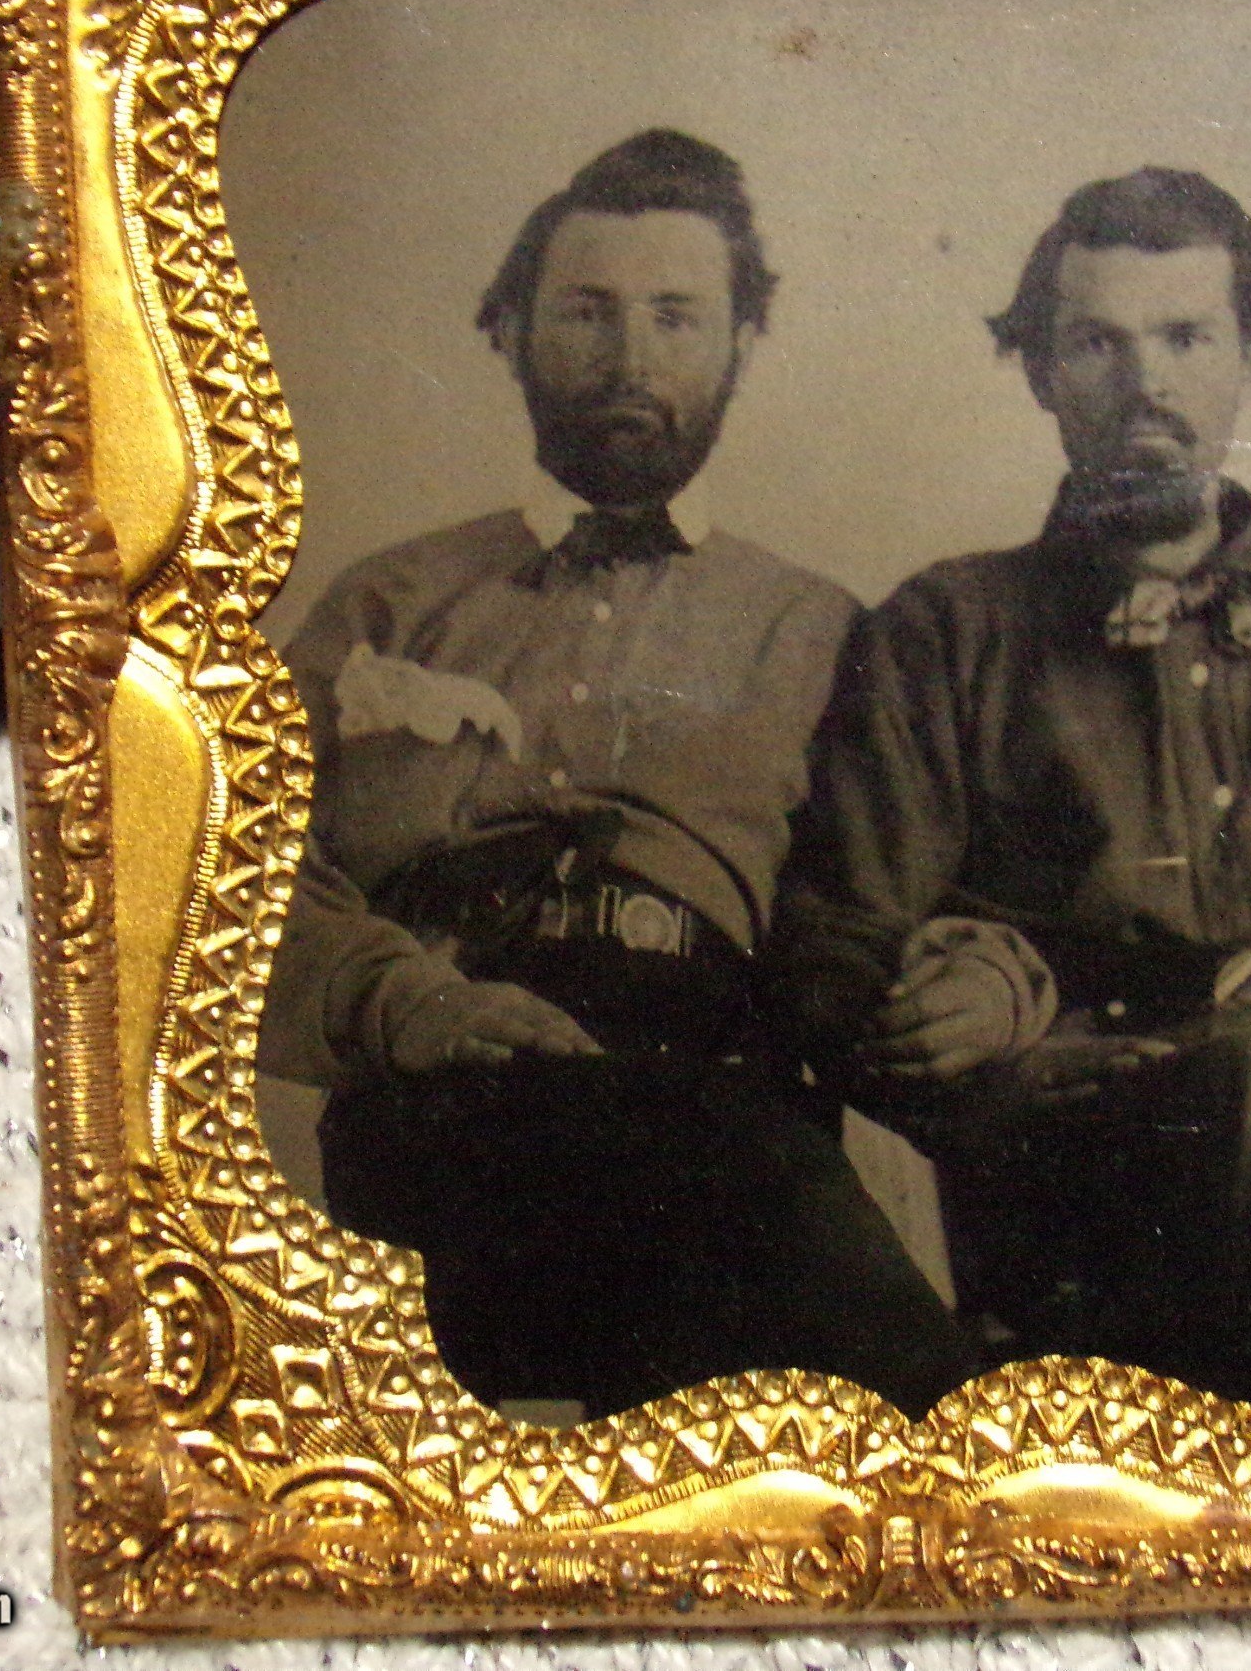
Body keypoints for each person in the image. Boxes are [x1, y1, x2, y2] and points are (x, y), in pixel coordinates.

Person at [775, 167, 1251, 1403]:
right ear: (1039, 372)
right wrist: (978, 1038)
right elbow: (832, 950)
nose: (1146, 385)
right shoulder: (945, 628)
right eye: (1096, 345)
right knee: (1241, 1092)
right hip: (1075, 1162)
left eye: (1185, 338)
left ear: (1250, 359)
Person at [262, 129, 972, 1420]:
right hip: (446, 1100)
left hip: (715, 1083)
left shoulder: (822, 628)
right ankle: (972, 1448)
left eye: (675, 318)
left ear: (743, 341)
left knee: (734, 1192)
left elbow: (898, 896)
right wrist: (405, 1003)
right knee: (751, 1202)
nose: (631, 359)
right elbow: (223, 877)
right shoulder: (389, 599)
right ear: (509, 331)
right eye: (587, 313)